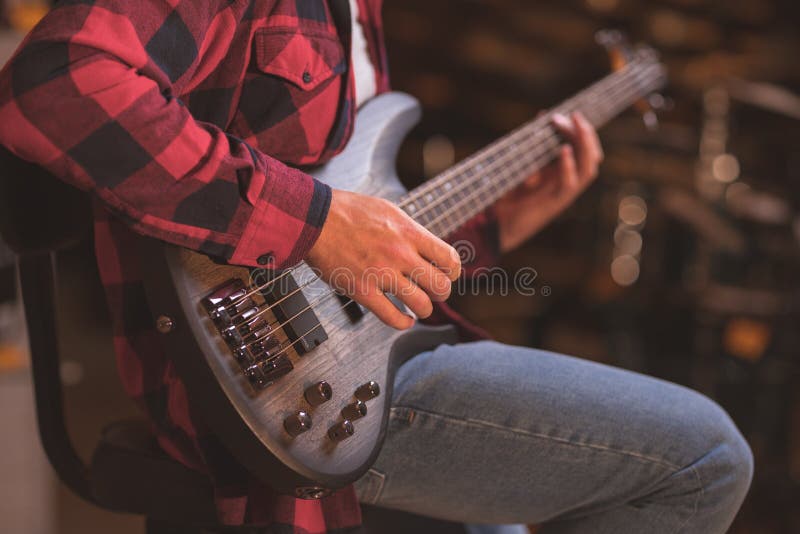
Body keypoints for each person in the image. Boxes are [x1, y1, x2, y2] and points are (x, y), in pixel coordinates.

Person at [0, 1, 753, 532]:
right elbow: (57, 82)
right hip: (257, 386)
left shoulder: (359, 14)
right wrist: (316, 223)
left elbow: (359, 239)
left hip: (354, 356)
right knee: (705, 459)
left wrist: (504, 222)